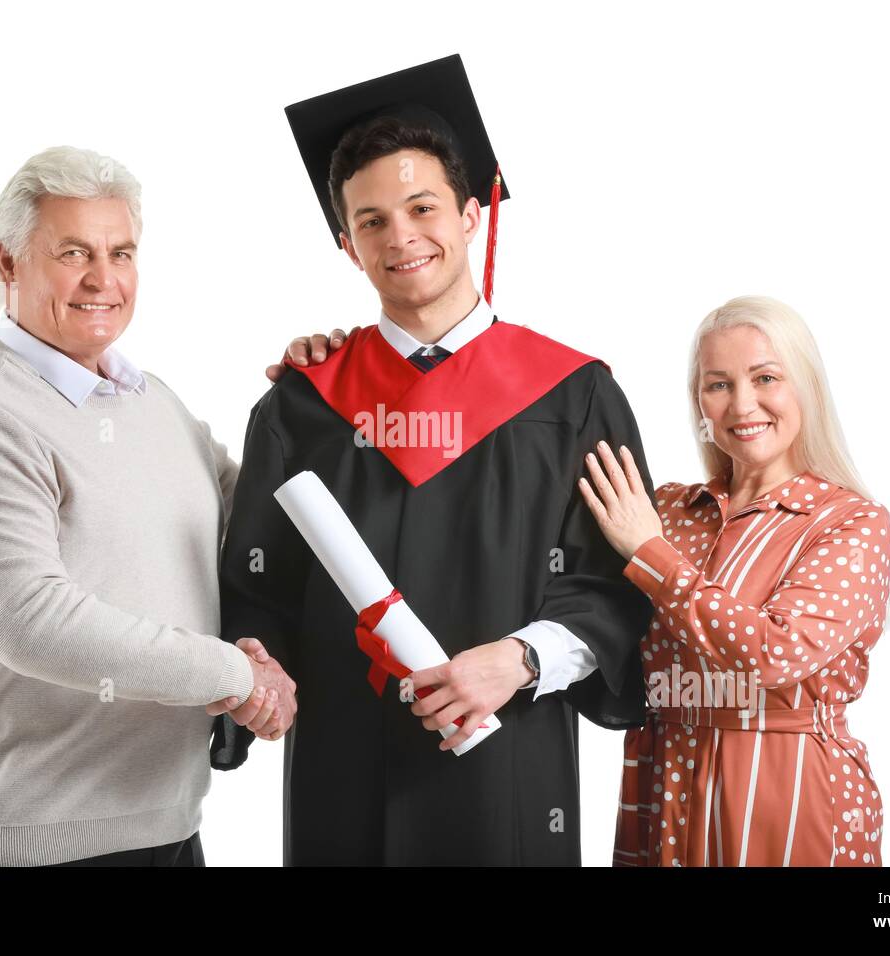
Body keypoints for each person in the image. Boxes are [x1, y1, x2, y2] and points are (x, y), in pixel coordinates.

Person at [214, 55, 655, 865]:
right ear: (347, 244)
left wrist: (520, 660)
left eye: (422, 207)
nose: (401, 237)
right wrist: (249, 657)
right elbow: (255, 592)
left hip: (507, 777)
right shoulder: (301, 406)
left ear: (470, 214)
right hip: (340, 781)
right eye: (372, 221)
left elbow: (619, 591)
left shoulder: (572, 395)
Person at [0, 145, 298, 867]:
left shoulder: (154, 404)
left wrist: (323, 397)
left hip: (168, 824)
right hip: (34, 845)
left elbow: (260, 528)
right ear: (7, 263)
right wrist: (236, 676)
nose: (103, 280)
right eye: (74, 253)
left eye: (122, 252)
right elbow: (33, 623)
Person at [577, 295, 890, 866]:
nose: (741, 403)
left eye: (765, 377)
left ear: (808, 387)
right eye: (717, 384)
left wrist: (649, 553)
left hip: (787, 785)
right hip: (663, 772)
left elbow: (775, 651)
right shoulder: (667, 509)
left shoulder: (850, 521)